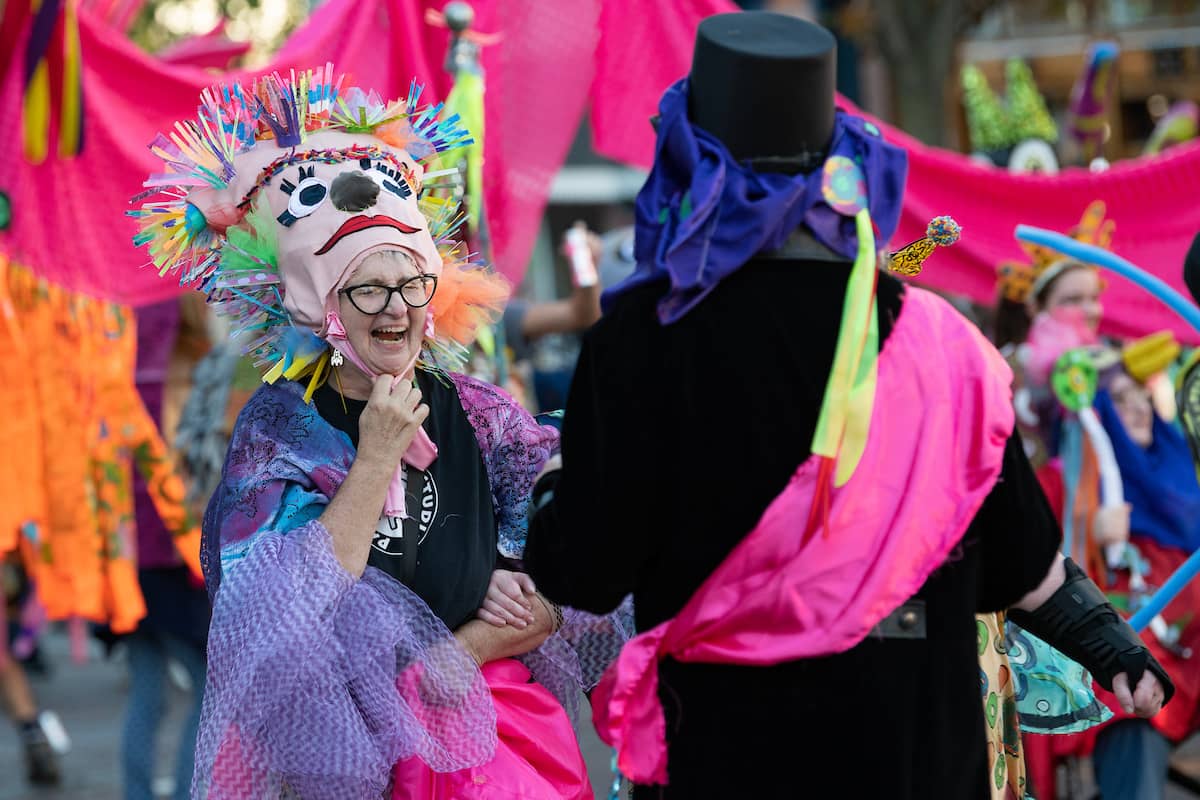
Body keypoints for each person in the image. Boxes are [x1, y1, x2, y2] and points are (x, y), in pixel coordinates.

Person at [524, 12, 1171, 798]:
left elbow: (582, 570)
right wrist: (1110, 644)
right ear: (839, 162)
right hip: (917, 757)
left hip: (737, 757)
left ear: (689, 156)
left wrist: (559, 476)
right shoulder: (943, 340)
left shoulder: (642, 336)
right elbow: (1018, 562)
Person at [131, 69, 628, 799]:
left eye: (412, 283)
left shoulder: (480, 413)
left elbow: (586, 552)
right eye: (367, 288)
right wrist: (378, 451)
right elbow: (276, 619)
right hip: (345, 757)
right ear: (321, 304)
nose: (396, 309)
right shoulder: (279, 432)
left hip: (496, 742)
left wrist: (506, 628)